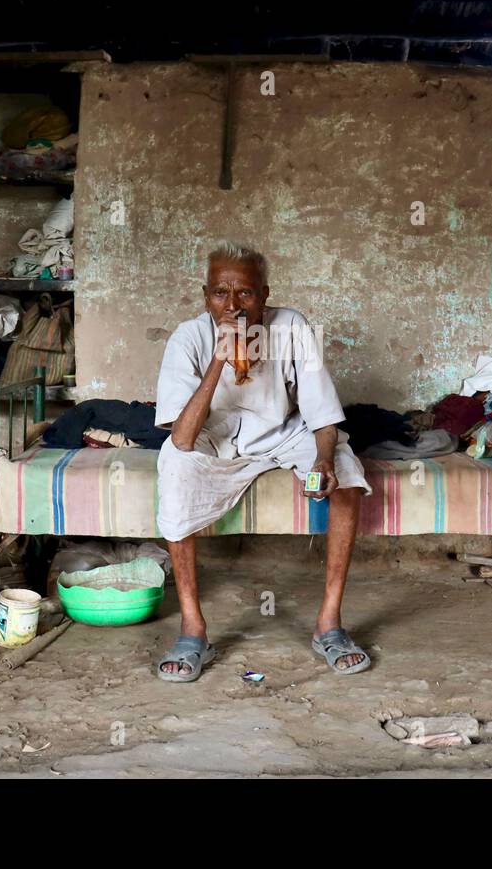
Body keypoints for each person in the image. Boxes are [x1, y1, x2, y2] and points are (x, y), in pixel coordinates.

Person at [152, 242, 373, 681]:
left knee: (347, 472)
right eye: (220, 293)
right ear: (205, 296)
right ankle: (193, 630)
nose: (232, 305)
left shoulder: (290, 326)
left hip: (285, 432)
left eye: (245, 294)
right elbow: (182, 436)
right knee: (173, 465)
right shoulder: (189, 337)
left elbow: (322, 412)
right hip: (217, 440)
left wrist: (324, 459)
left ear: (265, 294)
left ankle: (329, 623)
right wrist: (220, 356)